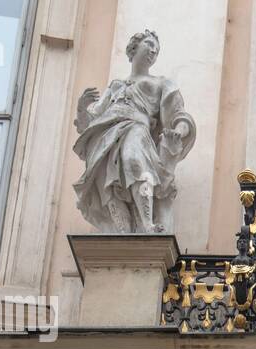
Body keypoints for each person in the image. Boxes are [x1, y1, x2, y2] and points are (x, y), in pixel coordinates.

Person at [72, 30, 196, 234]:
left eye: (156, 49)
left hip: (136, 127)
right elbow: (91, 120)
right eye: (149, 44)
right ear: (133, 48)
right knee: (107, 183)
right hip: (105, 133)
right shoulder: (116, 85)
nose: (153, 50)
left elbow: (179, 117)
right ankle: (123, 231)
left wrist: (178, 133)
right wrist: (81, 108)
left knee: (134, 160)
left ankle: (147, 224)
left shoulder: (160, 83)